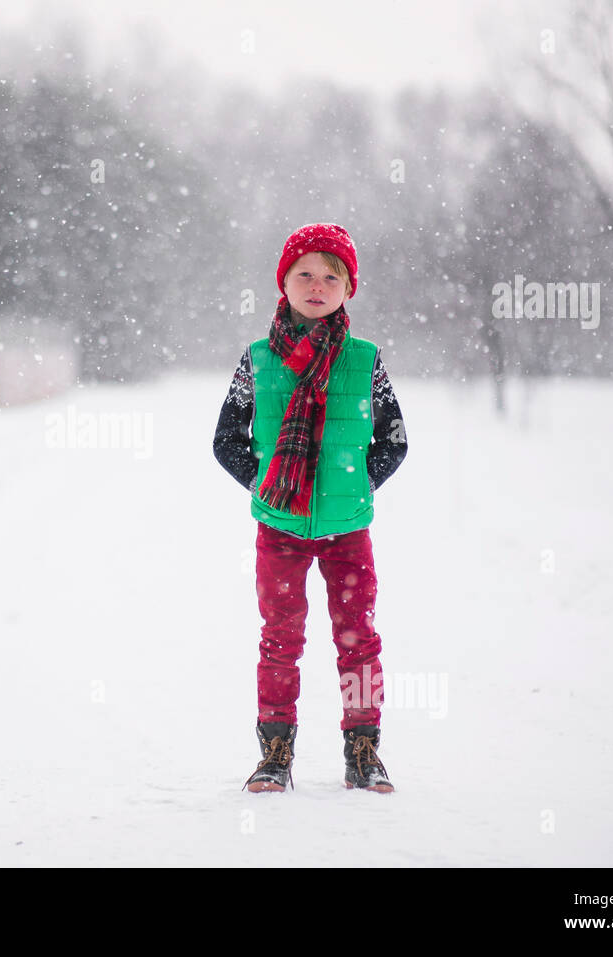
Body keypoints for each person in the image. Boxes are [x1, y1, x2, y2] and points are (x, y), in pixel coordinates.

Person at [211, 223, 408, 793]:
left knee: (359, 641)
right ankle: (275, 755)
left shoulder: (366, 360)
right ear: (284, 282)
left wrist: (357, 488)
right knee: (280, 638)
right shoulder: (256, 360)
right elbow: (226, 439)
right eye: (305, 274)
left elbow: (394, 438)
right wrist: (266, 486)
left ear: (349, 287)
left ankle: (364, 754)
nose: (317, 286)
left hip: (349, 531)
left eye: (332, 276)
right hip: (280, 528)